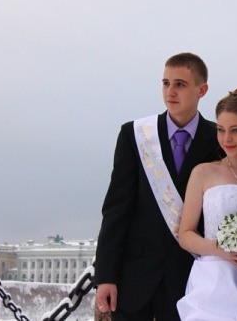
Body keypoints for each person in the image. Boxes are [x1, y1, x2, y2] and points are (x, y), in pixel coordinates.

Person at [94, 52, 223, 320]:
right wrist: (105, 275)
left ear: (202, 90)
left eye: (180, 84)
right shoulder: (135, 135)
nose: (170, 92)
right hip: (134, 277)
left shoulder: (219, 139)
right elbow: (116, 209)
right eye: (166, 83)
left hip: (191, 278)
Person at [176, 87, 237, 321]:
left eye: (235, 130)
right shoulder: (203, 173)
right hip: (212, 283)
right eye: (221, 130)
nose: (226, 139)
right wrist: (218, 248)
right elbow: (185, 234)